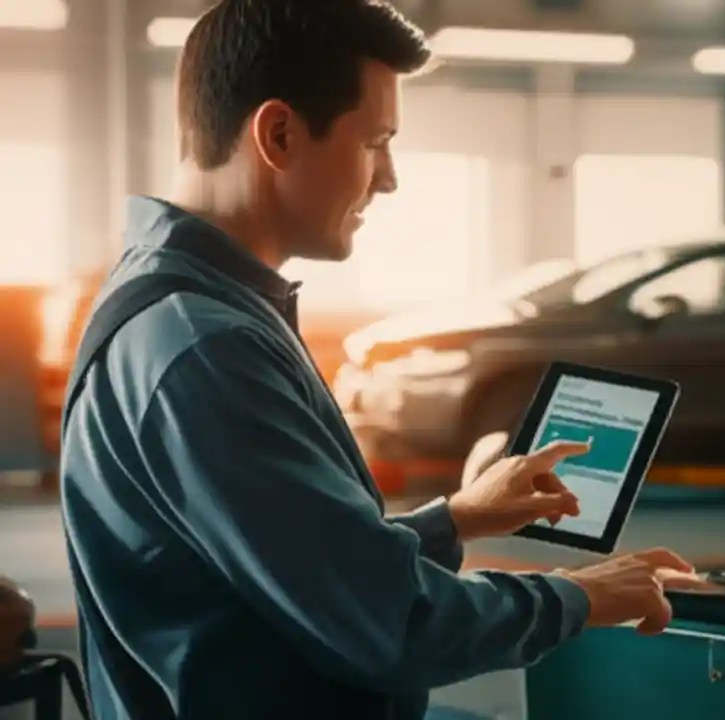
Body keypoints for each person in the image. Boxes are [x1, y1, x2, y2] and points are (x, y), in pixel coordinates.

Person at [59, 1, 693, 718]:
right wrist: (580, 597)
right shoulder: (206, 346)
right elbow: (391, 624)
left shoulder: (182, 300)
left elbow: (303, 567)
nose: (388, 178)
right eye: (376, 141)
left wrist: (456, 519)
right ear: (278, 134)